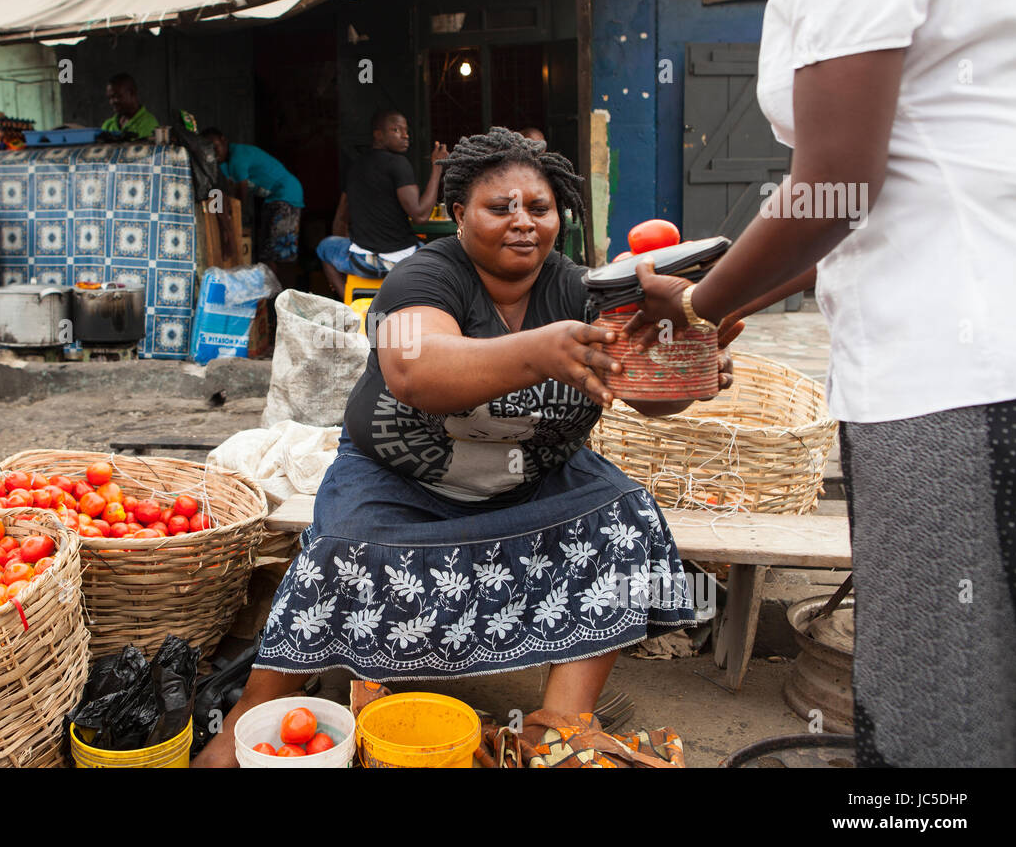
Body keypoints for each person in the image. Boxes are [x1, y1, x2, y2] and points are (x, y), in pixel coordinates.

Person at [192, 127, 739, 767]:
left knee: (625, 515)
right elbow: (414, 372)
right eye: (498, 207)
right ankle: (239, 731)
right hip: (401, 481)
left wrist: (690, 373)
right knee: (345, 550)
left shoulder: (585, 290)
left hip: (534, 479)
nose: (522, 223)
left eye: (538, 208)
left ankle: (561, 723)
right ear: (457, 215)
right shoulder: (421, 278)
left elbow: (644, 394)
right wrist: (538, 351)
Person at [625, 0, 1016, 767]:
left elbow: (838, 182)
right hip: (950, 359)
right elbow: (860, 200)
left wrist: (689, 311)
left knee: (939, 716)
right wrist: (727, 304)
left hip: (954, 369)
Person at [316, 110, 448, 299]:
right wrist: (437, 168)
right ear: (378, 135)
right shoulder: (399, 164)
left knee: (324, 247)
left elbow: (340, 219)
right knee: (440, 255)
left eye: (406, 131)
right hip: (402, 261)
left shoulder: (355, 167)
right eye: (396, 130)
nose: (405, 136)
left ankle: (347, 301)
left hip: (362, 262)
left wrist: (351, 250)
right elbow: (420, 215)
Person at [200, 128, 305, 263]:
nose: (214, 152)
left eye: (216, 147)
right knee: (267, 249)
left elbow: (240, 194)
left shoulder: (238, 157)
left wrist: (233, 218)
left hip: (287, 193)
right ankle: (273, 281)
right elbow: (232, 190)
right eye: (209, 149)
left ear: (223, 140)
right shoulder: (224, 164)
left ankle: (281, 283)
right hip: (273, 197)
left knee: (278, 250)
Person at [101, 73, 159, 139]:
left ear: (132, 93)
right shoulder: (108, 125)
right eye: (110, 98)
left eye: (116, 96)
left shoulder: (148, 123)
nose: (111, 102)